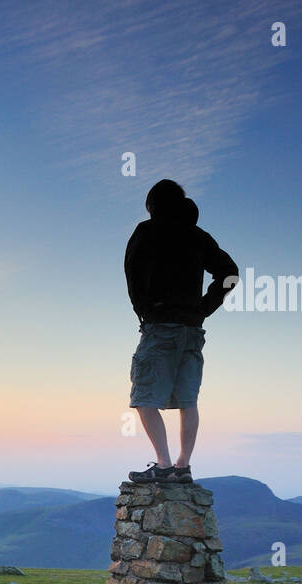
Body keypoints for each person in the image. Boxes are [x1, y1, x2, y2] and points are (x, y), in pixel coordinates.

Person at [124, 179, 238, 484]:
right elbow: (230, 274)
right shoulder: (199, 237)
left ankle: (162, 465)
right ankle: (183, 466)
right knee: (188, 400)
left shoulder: (148, 231)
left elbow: (133, 274)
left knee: (144, 396)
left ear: (154, 205)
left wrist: (145, 311)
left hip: (161, 325)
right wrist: (203, 308)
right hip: (192, 330)